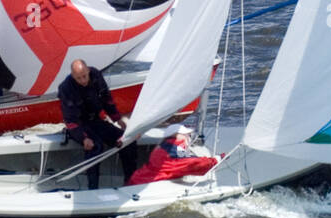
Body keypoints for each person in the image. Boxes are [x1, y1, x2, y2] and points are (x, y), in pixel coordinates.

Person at [57, 59, 136, 189]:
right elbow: (70, 120)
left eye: (84, 76)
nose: (82, 80)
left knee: (127, 140)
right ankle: (92, 188)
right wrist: (84, 138)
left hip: (95, 121)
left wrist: (117, 119)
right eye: (78, 78)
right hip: (78, 126)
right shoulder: (66, 88)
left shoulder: (96, 75)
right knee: (95, 147)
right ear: (72, 76)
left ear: (88, 71)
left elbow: (107, 99)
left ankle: (130, 182)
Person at [128, 124, 219, 185]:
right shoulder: (175, 148)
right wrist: (216, 160)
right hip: (154, 184)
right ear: (177, 135)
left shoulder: (162, 146)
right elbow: (193, 163)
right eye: (186, 135)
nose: (188, 137)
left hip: (138, 180)